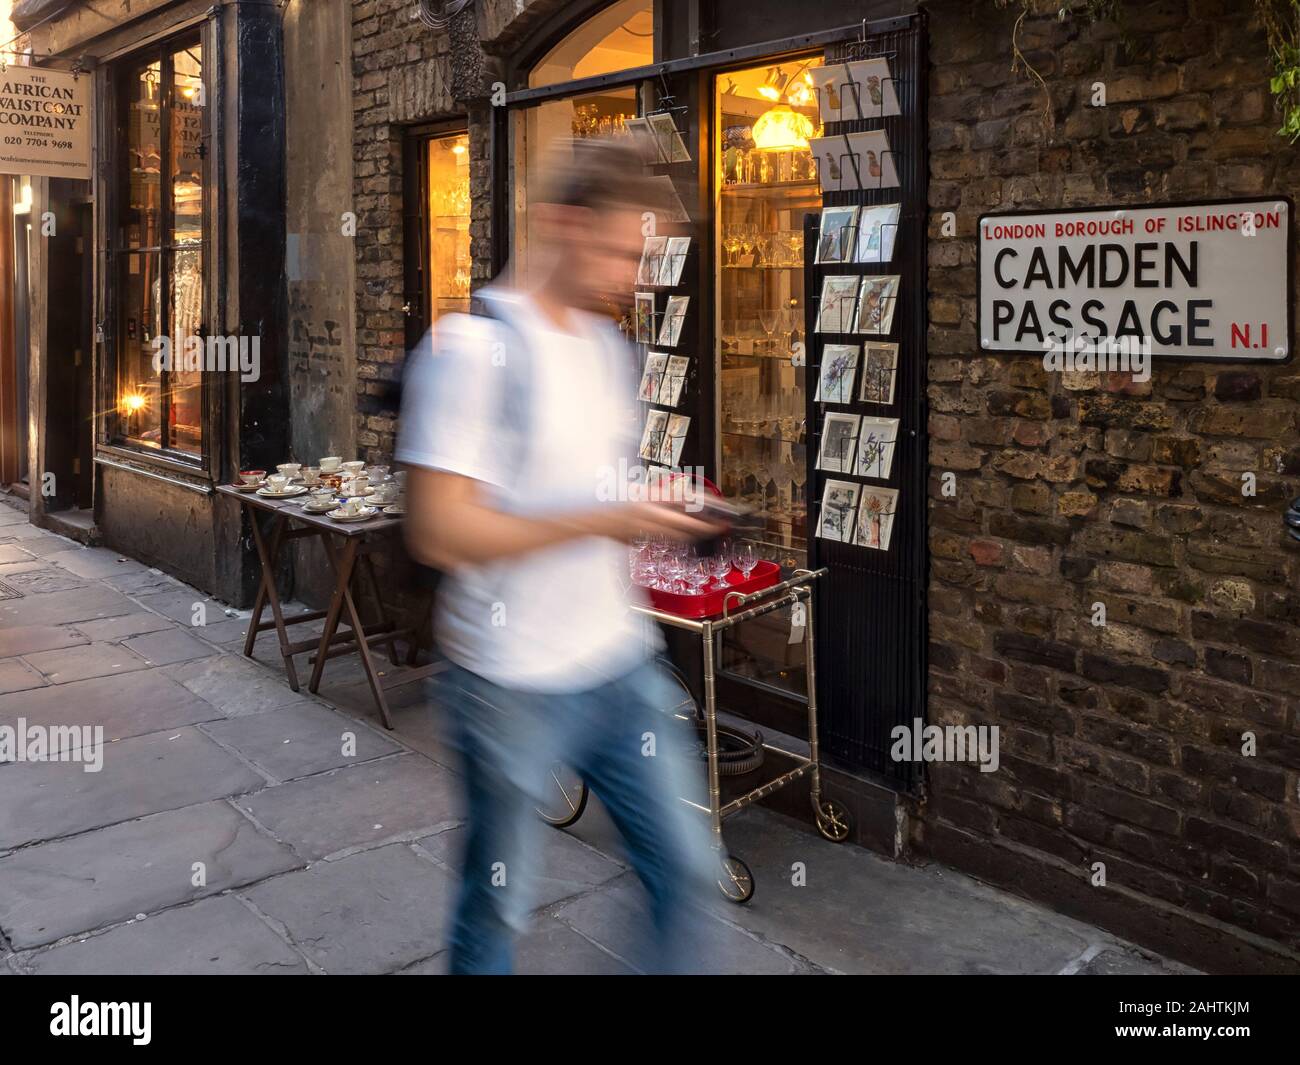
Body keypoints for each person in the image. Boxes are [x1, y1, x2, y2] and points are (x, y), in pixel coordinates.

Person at [396, 138, 722, 975]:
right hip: (506, 681)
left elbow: (594, 491)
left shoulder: (613, 351)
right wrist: (607, 515)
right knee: (496, 908)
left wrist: (661, 509)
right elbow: (439, 529)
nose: (633, 272)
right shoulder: (469, 350)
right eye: (620, 250)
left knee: (687, 872)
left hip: (619, 664)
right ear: (564, 224)